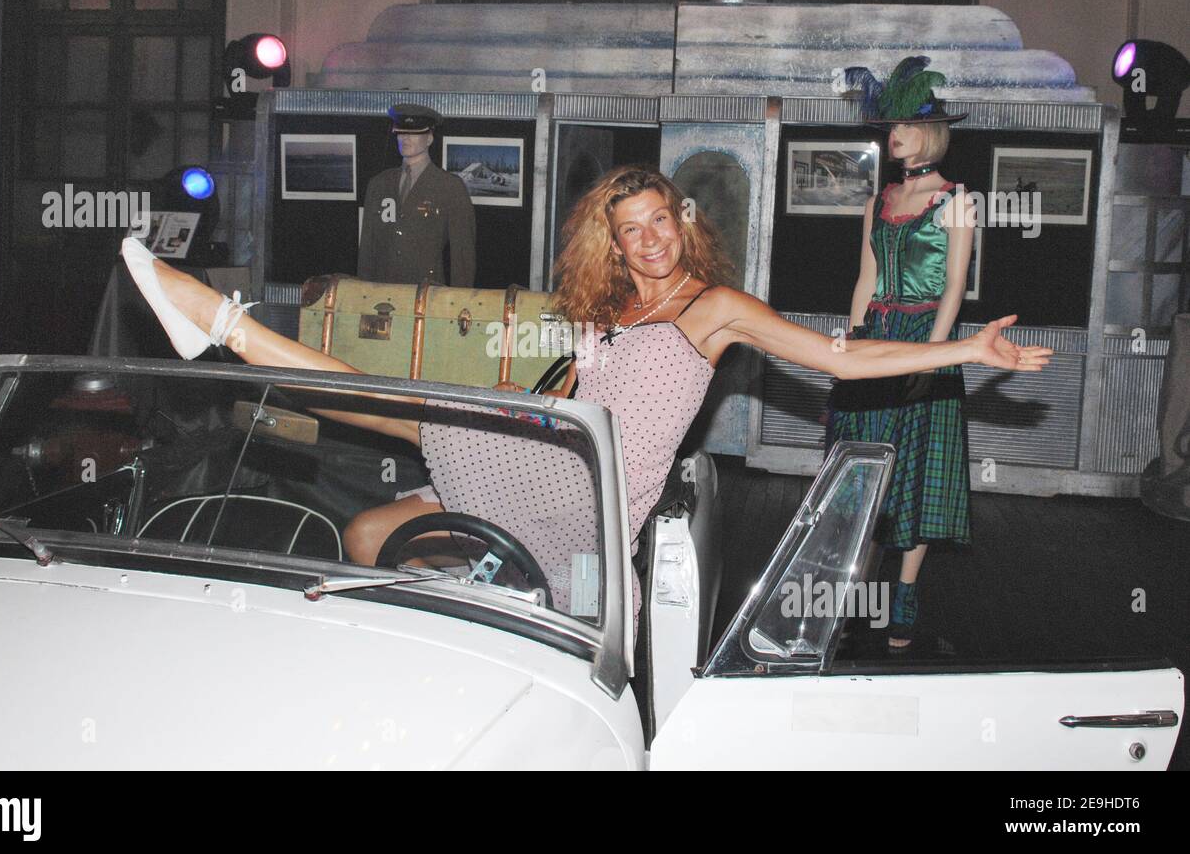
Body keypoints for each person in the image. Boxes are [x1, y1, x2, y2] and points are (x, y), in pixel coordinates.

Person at [120, 165, 1049, 621]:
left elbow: (841, 361)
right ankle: (468, 622)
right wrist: (521, 401)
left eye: (661, 224)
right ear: (611, 244)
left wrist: (970, 347)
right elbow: (559, 390)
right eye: (630, 231)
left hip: (592, 494)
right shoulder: (602, 313)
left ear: (683, 227)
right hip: (545, 460)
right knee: (366, 533)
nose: (650, 242)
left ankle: (228, 328)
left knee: (407, 403)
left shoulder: (712, 307)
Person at [829, 55, 976, 649]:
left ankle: (906, 595)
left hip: (924, 340)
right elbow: (864, 279)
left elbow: (954, 288)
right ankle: (854, 585)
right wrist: (848, 341)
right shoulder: (879, 202)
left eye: (902, 127)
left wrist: (935, 355)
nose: (892, 136)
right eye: (887, 127)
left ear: (930, 133)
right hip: (876, 338)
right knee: (865, 467)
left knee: (919, 472)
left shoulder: (957, 201)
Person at [356, 103, 476, 287]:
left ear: (429, 138)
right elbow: (367, 249)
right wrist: (363, 294)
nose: (405, 137)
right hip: (382, 294)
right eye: (401, 132)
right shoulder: (379, 184)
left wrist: (458, 304)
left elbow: (462, 256)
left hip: (427, 295)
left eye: (413, 132)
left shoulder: (450, 187)